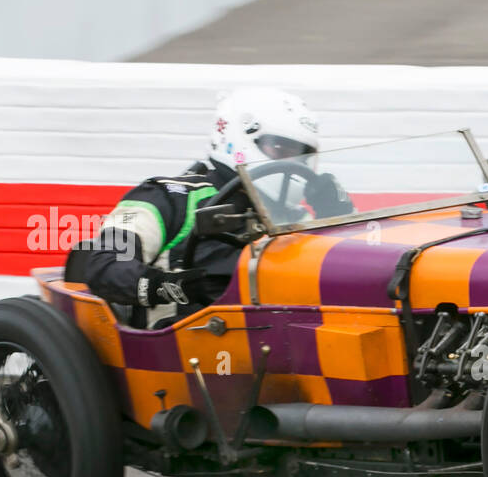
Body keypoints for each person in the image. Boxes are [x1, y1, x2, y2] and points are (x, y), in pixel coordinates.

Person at [66, 87, 353, 327]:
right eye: (282, 151)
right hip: (180, 357)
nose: (292, 164)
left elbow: (343, 284)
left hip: (280, 347)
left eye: (301, 156)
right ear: (239, 138)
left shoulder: (298, 219)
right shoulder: (164, 196)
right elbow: (104, 265)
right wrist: (173, 286)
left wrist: (341, 221)